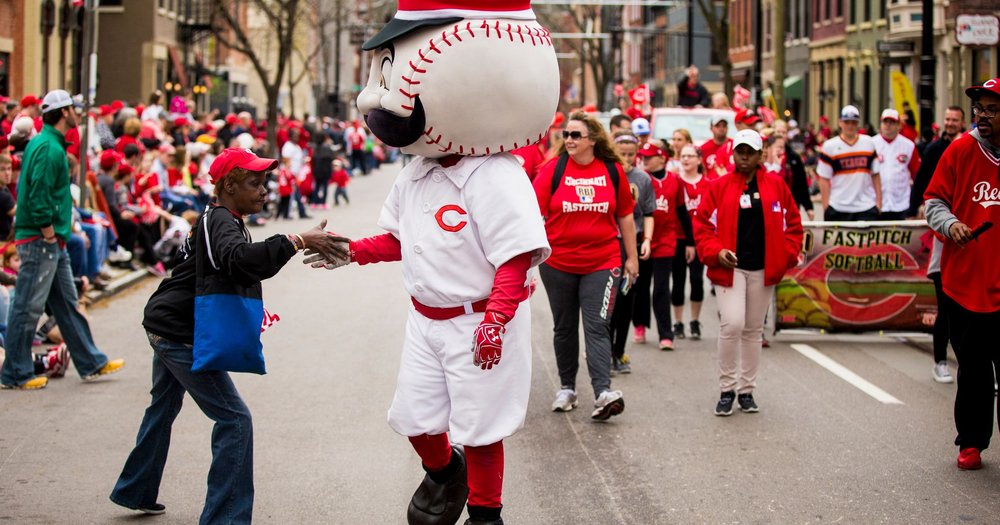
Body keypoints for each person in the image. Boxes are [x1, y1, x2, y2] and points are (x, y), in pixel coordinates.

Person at [324, 5, 560, 522]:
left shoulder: (496, 174)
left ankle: (486, 513)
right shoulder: (417, 171)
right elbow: (398, 239)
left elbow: (516, 258)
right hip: (425, 319)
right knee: (414, 420)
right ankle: (442, 471)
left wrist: (496, 321)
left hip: (478, 318)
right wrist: (348, 251)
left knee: (481, 429)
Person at [110, 148, 347, 522]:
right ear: (229, 186)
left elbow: (218, 267)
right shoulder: (220, 219)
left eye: (265, 182)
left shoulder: (220, 218)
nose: (264, 190)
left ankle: (135, 488)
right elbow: (237, 260)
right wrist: (296, 241)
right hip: (177, 333)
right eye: (255, 183)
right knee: (235, 421)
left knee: (163, 407)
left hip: (167, 325)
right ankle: (225, 518)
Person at [0, 90, 125, 390]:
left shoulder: (48, 144)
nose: (78, 112)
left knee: (67, 304)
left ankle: (90, 361)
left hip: (49, 239)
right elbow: (38, 192)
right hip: (41, 239)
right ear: (63, 112)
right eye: (73, 108)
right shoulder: (48, 147)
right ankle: (15, 372)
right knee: (27, 307)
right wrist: (47, 231)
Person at [532, 110, 637, 418]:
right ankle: (567, 388)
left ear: (593, 139)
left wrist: (631, 257)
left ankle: (603, 392)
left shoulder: (612, 170)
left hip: (602, 261)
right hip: (558, 262)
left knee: (597, 325)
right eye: (566, 134)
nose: (569, 140)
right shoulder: (553, 169)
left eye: (576, 135)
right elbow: (532, 215)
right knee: (564, 327)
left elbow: (626, 216)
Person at [693, 129, 803, 416]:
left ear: (760, 154)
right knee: (732, 324)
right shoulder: (719, 186)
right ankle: (727, 389)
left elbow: (794, 224)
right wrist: (717, 251)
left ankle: (746, 391)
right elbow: (702, 224)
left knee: (754, 329)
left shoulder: (776, 185)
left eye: (750, 152)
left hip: (763, 268)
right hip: (731, 267)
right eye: (740, 151)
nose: (744, 156)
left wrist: (786, 255)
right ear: (733, 153)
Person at [923, 77, 1000, 471]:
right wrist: (951, 224)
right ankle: (971, 441)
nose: (982, 116)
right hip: (967, 282)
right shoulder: (959, 151)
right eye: (979, 109)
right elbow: (933, 201)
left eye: (991, 109)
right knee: (973, 369)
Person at [632, 142, 692, 350]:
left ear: (663, 158)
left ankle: (666, 335)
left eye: (649, 156)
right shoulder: (640, 179)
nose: (645, 160)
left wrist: (690, 242)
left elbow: (682, 213)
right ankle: (639, 324)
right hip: (642, 239)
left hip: (666, 240)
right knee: (641, 286)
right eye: (643, 156)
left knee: (661, 289)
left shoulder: (675, 181)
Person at [609, 131, 655, 374]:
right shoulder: (606, 174)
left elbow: (648, 213)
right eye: (622, 154)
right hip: (608, 243)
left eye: (631, 154)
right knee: (609, 302)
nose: (627, 158)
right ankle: (603, 352)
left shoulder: (642, 179)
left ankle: (619, 351)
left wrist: (646, 239)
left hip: (632, 244)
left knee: (627, 300)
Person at [672, 144, 712, 340]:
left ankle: (694, 321)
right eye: (683, 156)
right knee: (678, 281)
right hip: (679, 238)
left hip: (700, 238)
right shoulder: (676, 182)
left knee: (697, 280)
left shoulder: (708, 184)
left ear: (699, 159)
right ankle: (677, 322)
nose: (686, 159)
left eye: (690, 156)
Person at [816, 105, 881, 221]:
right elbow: (823, 178)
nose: (850, 126)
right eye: (847, 122)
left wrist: (879, 203)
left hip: (865, 206)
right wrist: (826, 206)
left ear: (858, 124)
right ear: (840, 123)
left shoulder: (869, 143)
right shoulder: (830, 146)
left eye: (853, 122)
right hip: (838, 206)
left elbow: (875, 174)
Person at [910, 106, 965, 218]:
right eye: (947, 119)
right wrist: (916, 207)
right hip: (940, 210)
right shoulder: (933, 148)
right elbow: (921, 179)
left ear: (963, 123)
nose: (950, 123)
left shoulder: (969, 148)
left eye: (954, 120)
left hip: (962, 208)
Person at [873, 109, 920, 220]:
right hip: (876, 204)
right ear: (880, 124)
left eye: (892, 122)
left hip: (901, 204)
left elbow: (917, 175)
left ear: (899, 125)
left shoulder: (908, 145)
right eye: (885, 122)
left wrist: (919, 202)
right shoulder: (871, 144)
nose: (888, 125)